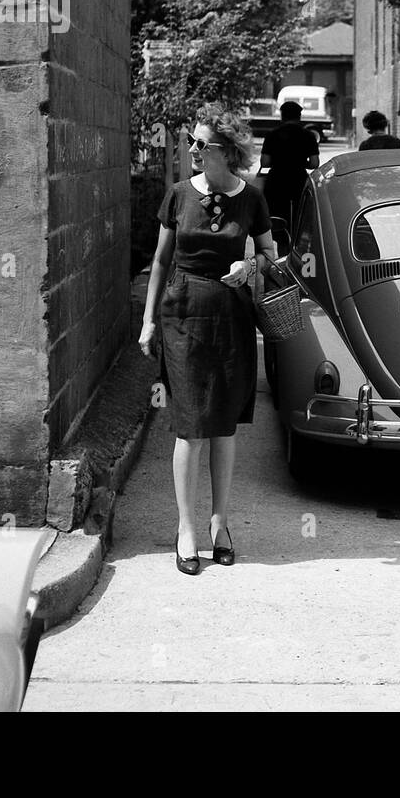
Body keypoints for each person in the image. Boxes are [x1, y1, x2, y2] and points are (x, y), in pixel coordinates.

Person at [140, 104, 279, 574]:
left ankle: (220, 524)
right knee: (190, 424)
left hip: (232, 316)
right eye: (192, 142)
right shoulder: (178, 195)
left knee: (222, 424)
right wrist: (148, 322)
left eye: (203, 144)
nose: (194, 150)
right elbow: (160, 262)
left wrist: (250, 266)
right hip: (183, 313)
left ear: (228, 152)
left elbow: (271, 257)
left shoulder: (252, 199)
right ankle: (186, 529)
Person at [260, 100, 320, 247]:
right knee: (299, 221)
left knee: (279, 222)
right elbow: (314, 163)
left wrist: (280, 160)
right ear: (299, 116)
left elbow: (265, 162)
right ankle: (296, 255)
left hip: (276, 183)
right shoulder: (308, 136)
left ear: (282, 116)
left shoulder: (272, 135)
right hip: (299, 181)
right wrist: (299, 162)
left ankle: (282, 254)